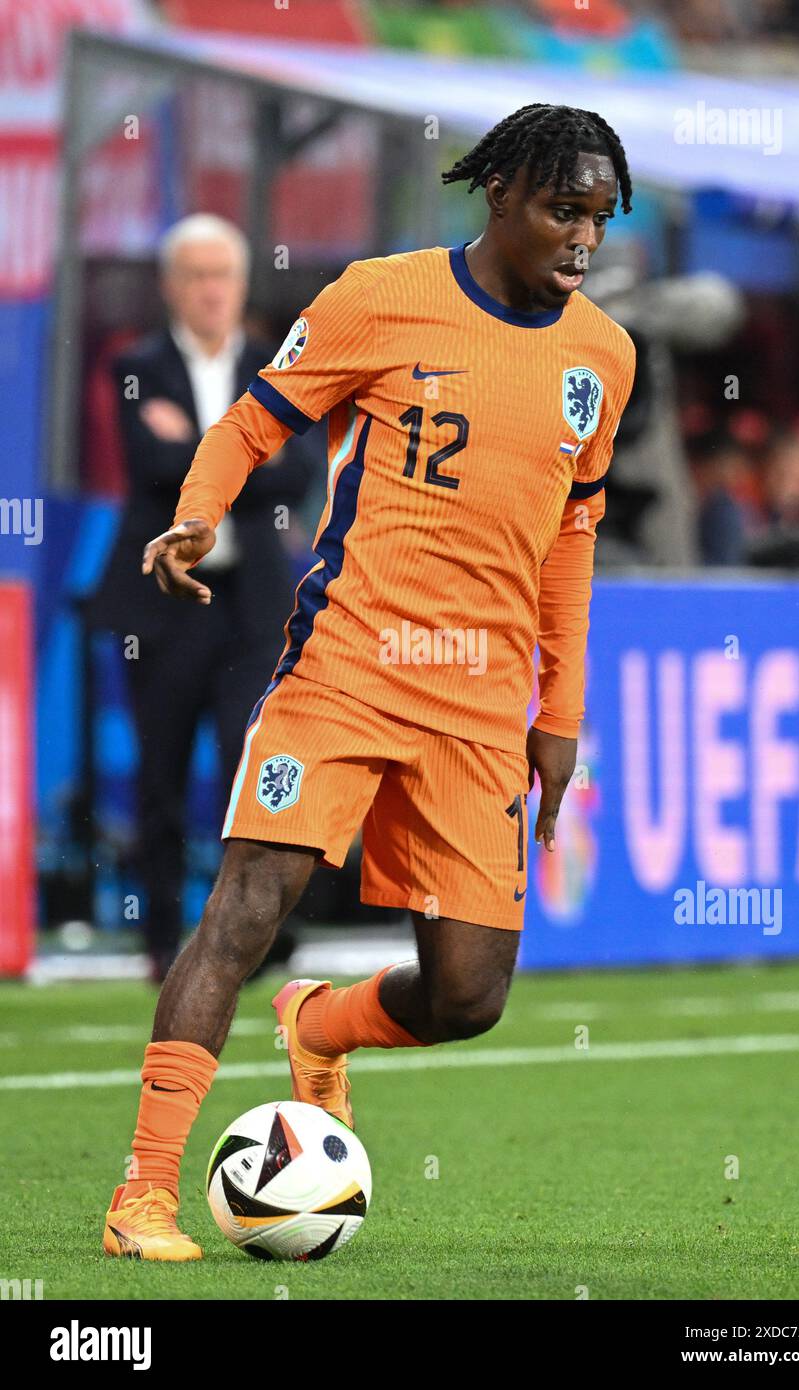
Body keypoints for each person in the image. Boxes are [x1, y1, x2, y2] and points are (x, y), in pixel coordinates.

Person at [102, 105, 637, 1261]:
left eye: (598, 216)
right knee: (244, 910)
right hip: (347, 664)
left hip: (484, 704)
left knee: (467, 999)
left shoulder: (603, 356)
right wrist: (196, 515)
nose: (582, 237)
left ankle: (319, 1026)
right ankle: (141, 1194)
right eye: (562, 209)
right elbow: (252, 423)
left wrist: (561, 711)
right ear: (496, 193)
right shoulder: (378, 297)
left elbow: (570, 543)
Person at [88, 215, 315, 982]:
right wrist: (245, 447)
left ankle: (243, 940)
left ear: (243, 283)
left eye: (223, 273)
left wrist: (201, 444)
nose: (211, 289)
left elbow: (297, 472)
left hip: (252, 607)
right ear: (170, 286)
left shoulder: (276, 365)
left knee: (247, 772)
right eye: (196, 275)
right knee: (161, 775)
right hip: (165, 602)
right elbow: (149, 468)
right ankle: (159, 941)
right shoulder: (138, 367)